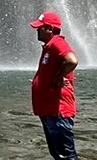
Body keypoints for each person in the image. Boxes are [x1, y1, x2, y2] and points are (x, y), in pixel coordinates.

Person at [29, 11, 79, 160]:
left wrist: (58, 77)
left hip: (58, 111)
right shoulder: (49, 47)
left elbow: (72, 60)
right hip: (49, 111)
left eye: (41, 27)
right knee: (59, 154)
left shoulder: (57, 42)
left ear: (50, 29)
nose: (37, 30)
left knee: (66, 156)